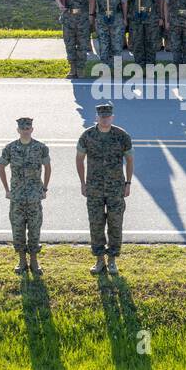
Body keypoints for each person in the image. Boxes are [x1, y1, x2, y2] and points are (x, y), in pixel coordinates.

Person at [77, 101, 133, 277]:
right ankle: (100, 260)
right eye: (102, 117)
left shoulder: (121, 135)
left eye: (107, 116)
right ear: (97, 117)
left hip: (116, 188)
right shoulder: (87, 136)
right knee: (96, 224)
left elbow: (130, 160)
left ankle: (113, 260)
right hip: (94, 188)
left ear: (112, 117)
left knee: (115, 224)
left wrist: (128, 183)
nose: (105, 119)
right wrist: (82, 183)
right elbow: (79, 159)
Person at [0, 117, 51, 276]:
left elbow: (48, 167)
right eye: (23, 128)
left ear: (32, 129)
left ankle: (34, 261)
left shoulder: (41, 148)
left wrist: (45, 189)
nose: (25, 130)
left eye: (28, 128)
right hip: (17, 198)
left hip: (34, 197)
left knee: (34, 230)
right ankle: (22, 261)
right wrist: (7, 190)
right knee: (18, 230)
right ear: (18, 130)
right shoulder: (10, 148)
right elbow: (1, 167)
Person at [57, 0, 94, 79]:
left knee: (83, 44)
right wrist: (60, 6)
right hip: (68, 17)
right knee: (69, 43)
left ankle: (81, 68)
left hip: (82, 17)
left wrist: (91, 14)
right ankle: (72, 68)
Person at [128, 0, 165, 66]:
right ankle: (139, 66)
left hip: (151, 16)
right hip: (136, 16)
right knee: (137, 42)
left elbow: (160, 0)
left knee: (151, 43)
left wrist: (161, 17)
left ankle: (150, 67)